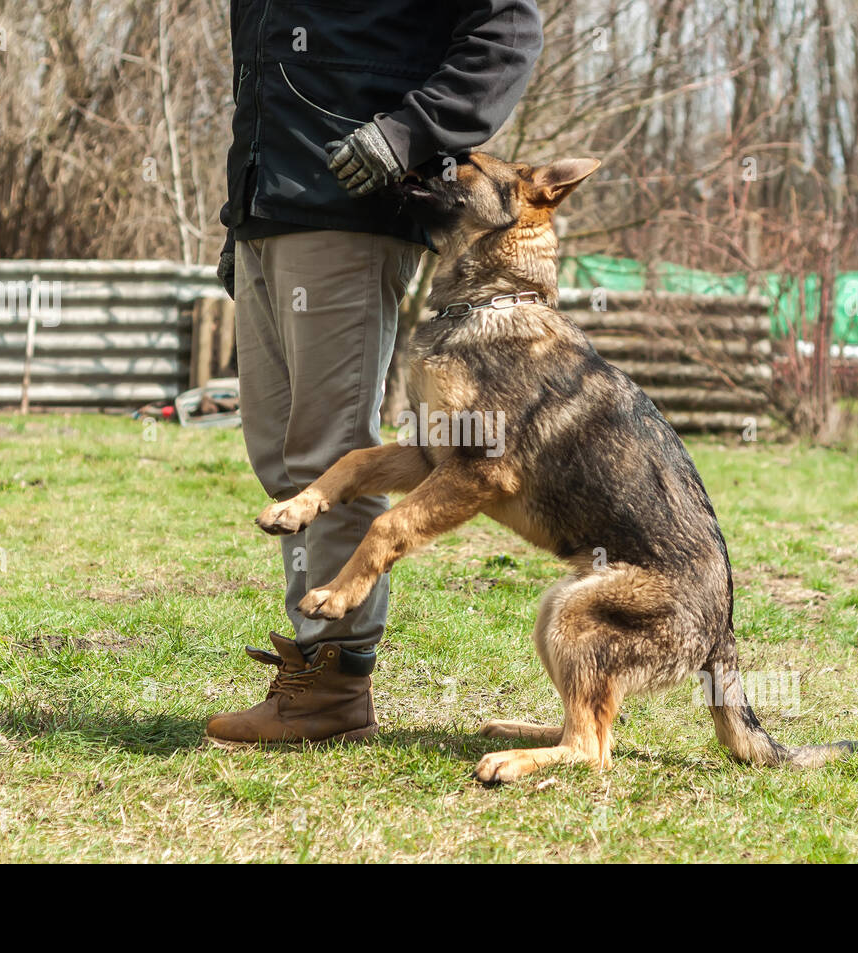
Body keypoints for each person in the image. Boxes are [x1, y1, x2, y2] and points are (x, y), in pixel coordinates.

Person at [205, 1, 544, 746]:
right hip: (270, 204)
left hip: (351, 211)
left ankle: (334, 681)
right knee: (280, 458)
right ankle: (312, 655)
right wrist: (243, 210)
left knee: (326, 449)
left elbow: (509, 31)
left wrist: (406, 135)